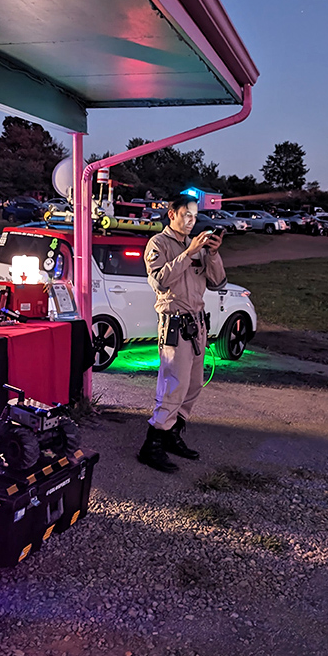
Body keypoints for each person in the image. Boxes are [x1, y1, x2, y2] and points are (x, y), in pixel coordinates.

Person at [137, 194, 226, 472]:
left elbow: (218, 282)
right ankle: (152, 444)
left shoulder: (197, 246)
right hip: (175, 323)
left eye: (195, 216)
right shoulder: (158, 244)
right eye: (186, 215)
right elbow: (160, 281)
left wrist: (212, 253)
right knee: (174, 384)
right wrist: (187, 255)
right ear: (171, 213)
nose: (191, 221)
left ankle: (173, 433)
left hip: (197, 324)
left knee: (194, 383)